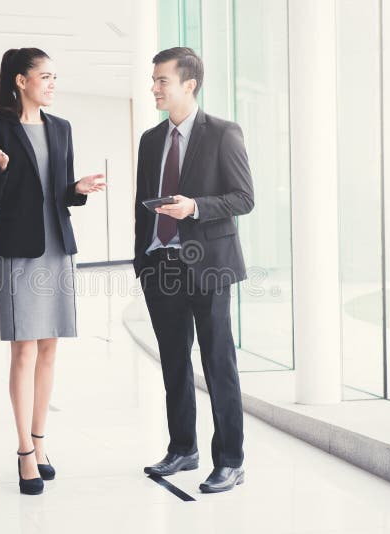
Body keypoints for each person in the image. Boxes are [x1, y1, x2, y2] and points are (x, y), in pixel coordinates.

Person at [0, 48, 105, 495]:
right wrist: (0, 171)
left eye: (54, 77)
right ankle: (23, 452)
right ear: (21, 80)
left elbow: (60, 193)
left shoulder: (61, 128)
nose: (52, 84)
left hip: (57, 247)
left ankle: (41, 441)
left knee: (50, 347)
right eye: (45, 76)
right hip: (18, 250)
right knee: (24, 351)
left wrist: (77, 188)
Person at [133, 47, 254, 493]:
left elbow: (244, 198)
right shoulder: (151, 140)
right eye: (153, 80)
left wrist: (195, 207)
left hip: (208, 267)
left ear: (189, 84)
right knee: (173, 363)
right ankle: (183, 448)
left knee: (218, 363)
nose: (154, 88)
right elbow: (141, 206)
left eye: (161, 80)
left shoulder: (223, 134)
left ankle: (231, 461)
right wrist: (142, 260)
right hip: (160, 266)